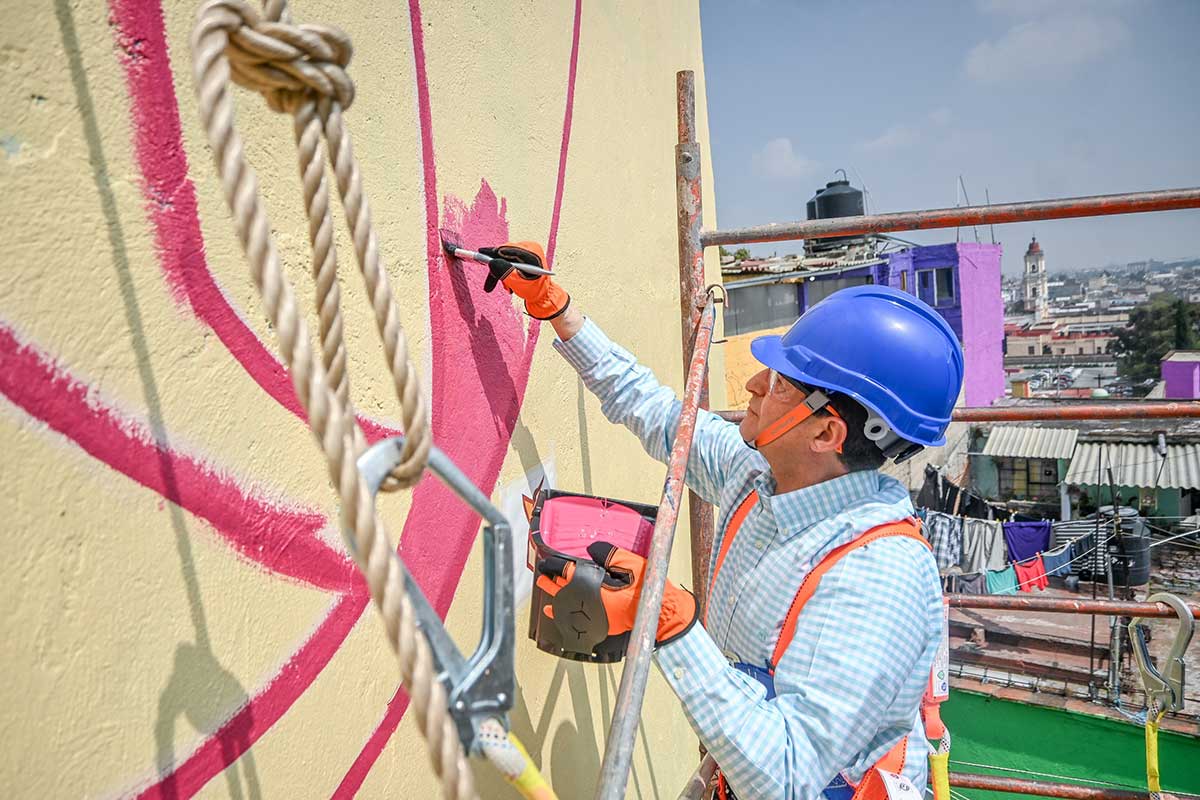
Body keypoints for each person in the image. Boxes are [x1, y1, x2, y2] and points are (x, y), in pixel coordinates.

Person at [473, 242, 963, 800]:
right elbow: (658, 412)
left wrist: (671, 625)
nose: (755, 384)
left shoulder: (878, 579)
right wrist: (558, 309)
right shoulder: (759, 475)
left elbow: (786, 779)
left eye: (782, 383)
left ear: (827, 433)